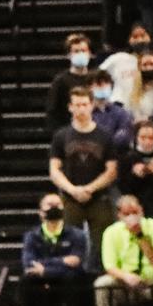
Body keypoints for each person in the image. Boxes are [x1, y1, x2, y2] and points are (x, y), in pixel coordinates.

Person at [48, 86, 117, 240]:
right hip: (70, 198)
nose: (81, 109)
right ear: (70, 107)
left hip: (99, 197)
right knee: (69, 242)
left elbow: (112, 171)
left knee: (103, 243)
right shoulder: (61, 136)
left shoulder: (105, 136)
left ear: (91, 105)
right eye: (77, 105)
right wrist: (73, 190)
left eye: (85, 104)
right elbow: (54, 170)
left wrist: (89, 189)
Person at [21, 193, 90, 306]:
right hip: (43, 281)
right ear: (40, 212)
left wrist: (45, 269)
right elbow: (29, 264)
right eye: (49, 205)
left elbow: (77, 262)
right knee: (26, 280)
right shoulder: (31, 236)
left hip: (68, 282)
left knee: (74, 278)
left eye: (57, 205)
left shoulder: (77, 235)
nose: (54, 208)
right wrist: (63, 261)